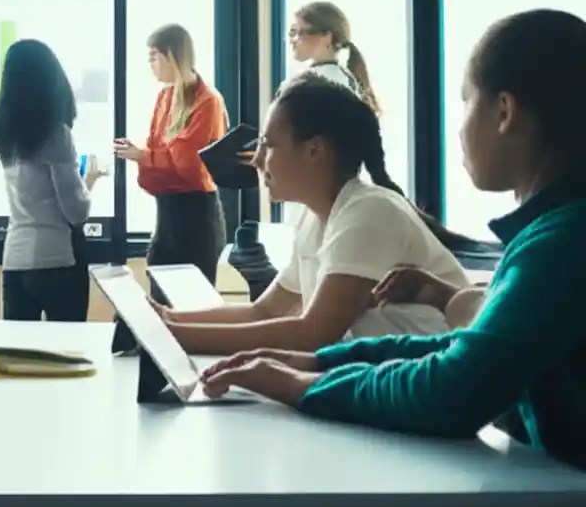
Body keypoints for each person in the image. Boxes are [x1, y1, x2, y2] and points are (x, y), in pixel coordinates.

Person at [201, 9, 586, 474]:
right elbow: (460, 351)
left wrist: (301, 385)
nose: (460, 127)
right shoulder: (550, 235)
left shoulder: (559, 246)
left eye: (466, 103)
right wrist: (319, 363)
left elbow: (452, 390)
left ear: (504, 112)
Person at [157, 74, 472, 355]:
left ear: (314, 151)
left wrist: (168, 336)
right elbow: (264, 312)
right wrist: (164, 318)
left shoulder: (368, 212)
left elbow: (313, 334)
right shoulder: (313, 220)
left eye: (268, 145)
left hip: (436, 390)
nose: (256, 160)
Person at [0, 40, 106, 321]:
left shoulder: (5, 134)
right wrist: (89, 180)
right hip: (58, 259)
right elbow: (75, 212)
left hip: (15, 259)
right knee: (66, 353)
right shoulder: (55, 134)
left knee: (17, 356)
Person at [113, 24, 228, 301]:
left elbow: (187, 163)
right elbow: (157, 152)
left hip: (196, 214)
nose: (150, 63)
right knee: (159, 294)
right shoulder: (164, 97)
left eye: (154, 56)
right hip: (166, 211)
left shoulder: (207, 101)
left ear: (173, 56)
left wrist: (145, 157)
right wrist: (147, 157)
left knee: (193, 303)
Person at [288, 1, 380, 113]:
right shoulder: (343, 79)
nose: (293, 39)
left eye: (301, 32)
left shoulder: (321, 84)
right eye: (292, 33)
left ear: (326, 36)